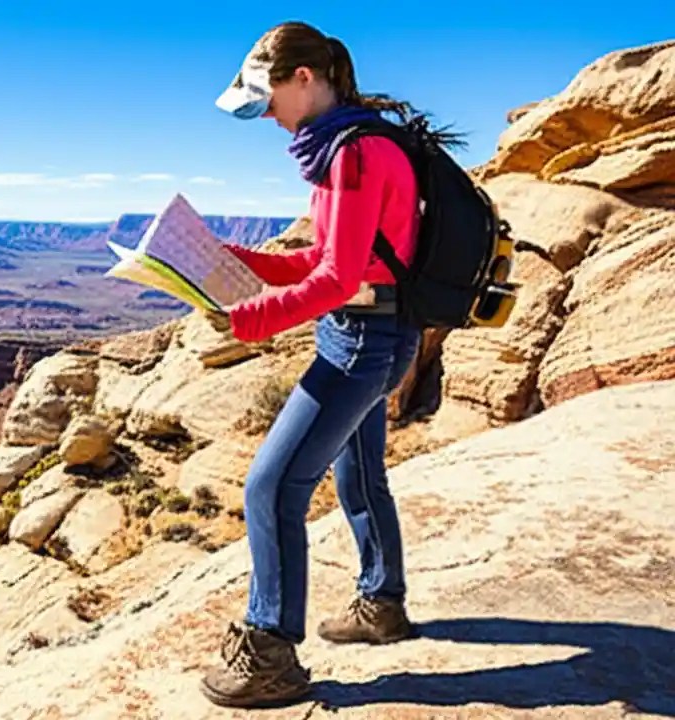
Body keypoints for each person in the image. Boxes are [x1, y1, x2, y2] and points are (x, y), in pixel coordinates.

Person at [198, 20, 440, 708]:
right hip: (373, 335)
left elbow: (336, 279)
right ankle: (382, 604)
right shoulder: (349, 144)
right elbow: (324, 258)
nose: (267, 118)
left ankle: (270, 650)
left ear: (303, 78)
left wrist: (250, 319)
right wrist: (240, 261)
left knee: (270, 488)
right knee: (358, 470)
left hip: (362, 341)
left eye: (267, 100)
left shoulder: (353, 156)